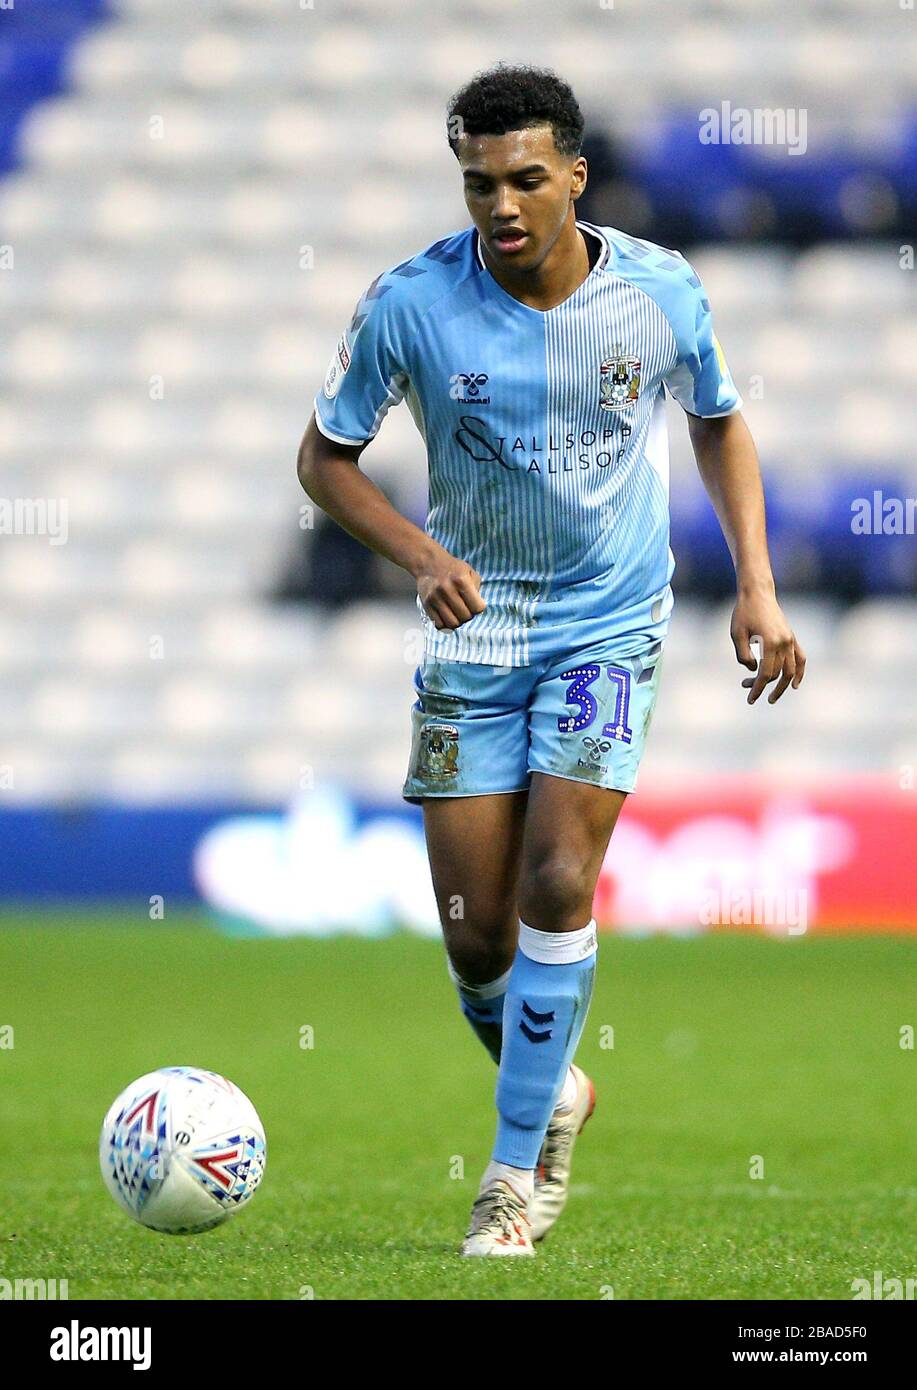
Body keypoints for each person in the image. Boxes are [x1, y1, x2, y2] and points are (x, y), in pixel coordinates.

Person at [297, 62, 806, 1257]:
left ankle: (509, 1180)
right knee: (477, 935)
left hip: (602, 621)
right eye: (479, 184)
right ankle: (556, 1087)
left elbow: (718, 418)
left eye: (526, 179)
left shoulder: (657, 294)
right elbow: (324, 461)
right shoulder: (408, 304)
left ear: (573, 176)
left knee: (557, 883)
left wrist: (756, 581)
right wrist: (419, 556)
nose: (503, 206)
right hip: (472, 634)